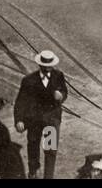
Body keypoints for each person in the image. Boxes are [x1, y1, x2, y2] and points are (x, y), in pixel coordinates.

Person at [14, 50, 67, 180]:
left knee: (50, 150)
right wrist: (19, 120)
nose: (48, 69)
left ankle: (48, 177)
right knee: (33, 145)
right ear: (40, 65)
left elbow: (64, 91)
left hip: (51, 119)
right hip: (34, 120)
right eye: (46, 66)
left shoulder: (58, 76)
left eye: (50, 66)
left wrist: (61, 96)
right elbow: (20, 101)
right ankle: (33, 172)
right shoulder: (28, 80)